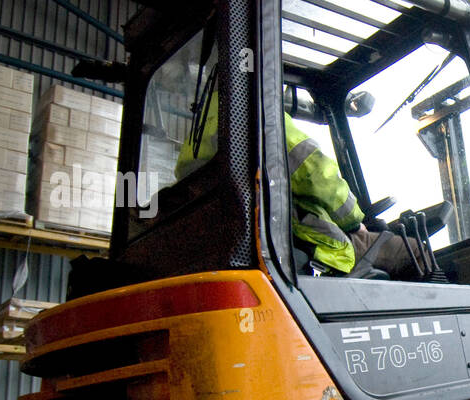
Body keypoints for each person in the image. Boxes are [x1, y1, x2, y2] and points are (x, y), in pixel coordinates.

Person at [177, 86, 420, 279]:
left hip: (256, 236)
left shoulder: (193, 143)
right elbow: (314, 172)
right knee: (417, 252)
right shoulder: (255, 111)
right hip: (297, 236)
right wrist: (355, 222)